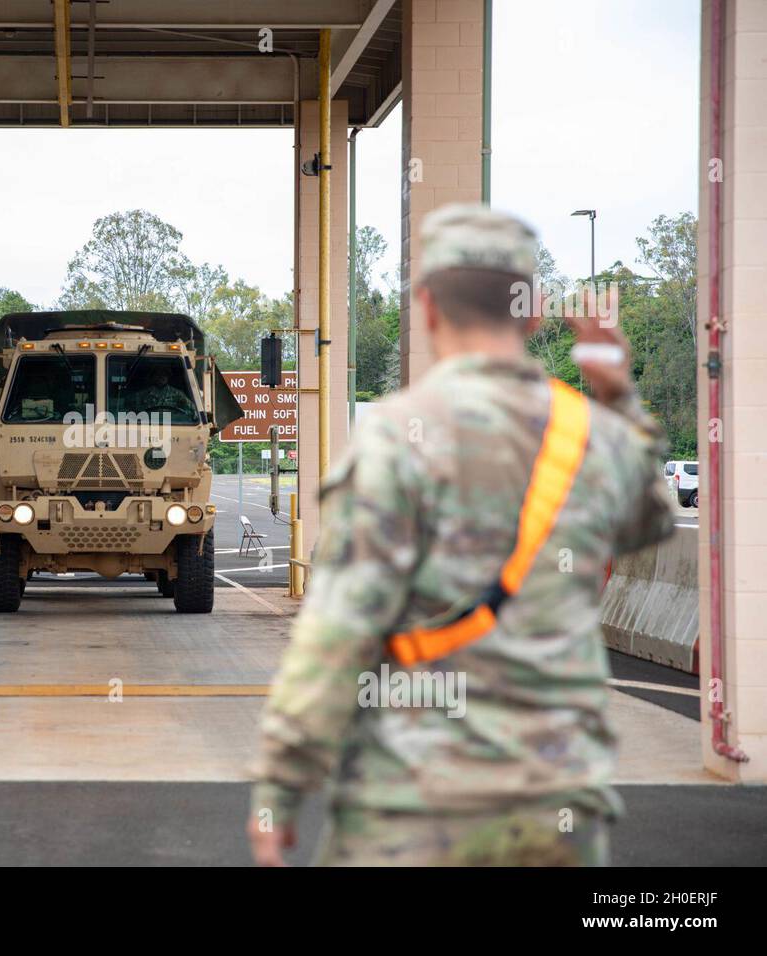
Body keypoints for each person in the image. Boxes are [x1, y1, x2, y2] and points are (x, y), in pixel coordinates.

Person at [248, 203, 674, 867]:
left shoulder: (396, 435)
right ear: (533, 313)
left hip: (415, 808)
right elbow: (652, 520)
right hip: (556, 812)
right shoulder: (594, 433)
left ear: (426, 305)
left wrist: (281, 784)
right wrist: (618, 396)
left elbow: (339, 631)